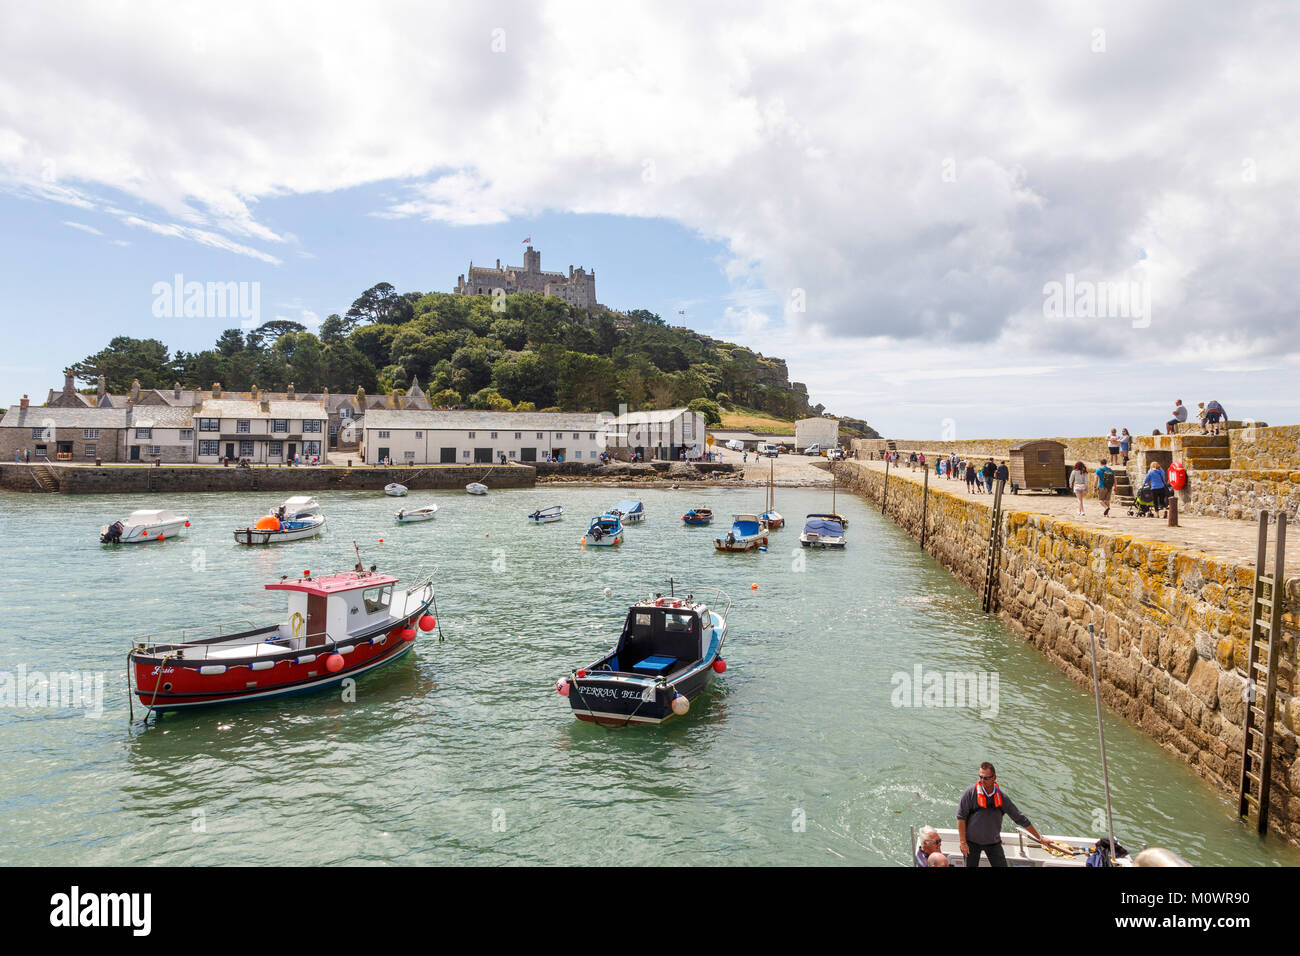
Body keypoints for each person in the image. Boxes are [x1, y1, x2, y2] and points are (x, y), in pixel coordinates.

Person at [957, 762, 1047, 867]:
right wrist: (963, 842)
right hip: (971, 843)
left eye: (986, 778)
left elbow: (1020, 819)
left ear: (994, 778)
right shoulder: (970, 793)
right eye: (980, 777)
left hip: (993, 843)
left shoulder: (1003, 798)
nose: (982, 781)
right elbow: (961, 817)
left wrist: (1040, 838)